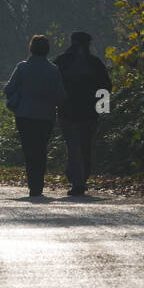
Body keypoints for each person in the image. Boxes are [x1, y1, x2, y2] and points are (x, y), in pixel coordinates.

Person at [3, 34, 67, 197]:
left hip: (24, 115)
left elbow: (8, 89)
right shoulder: (53, 69)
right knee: (41, 149)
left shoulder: (22, 68)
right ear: (47, 50)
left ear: (31, 48)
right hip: (46, 116)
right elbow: (60, 95)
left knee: (29, 149)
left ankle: (33, 183)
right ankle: (38, 184)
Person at [53, 31, 112, 197]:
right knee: (86, 147)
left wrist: (55, 104)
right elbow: (106, 86)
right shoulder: (95, 63)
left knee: (72, 147)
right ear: (88, 44)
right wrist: (102, 110)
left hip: (68, 112)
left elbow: (53, 84)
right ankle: (81, 179)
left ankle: (76, 180)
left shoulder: (61, 61)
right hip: (89, 113)